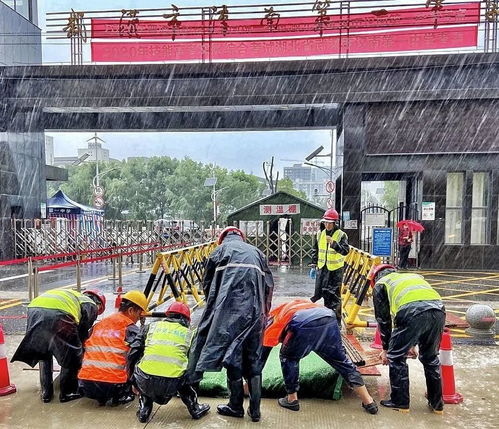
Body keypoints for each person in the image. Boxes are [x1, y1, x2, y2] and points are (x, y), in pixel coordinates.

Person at [187, 226, 274, 422]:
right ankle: (255, 410)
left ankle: (236, 406)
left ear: (222, 239)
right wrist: (263, 313)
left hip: (228, 314)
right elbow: (269, 287)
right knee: (253, 360)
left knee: (232, 358)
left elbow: (208, 287)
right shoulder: (258, 253)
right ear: (241, 238)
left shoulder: (218, 252)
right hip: (255, 313)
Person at [261, 299, 378, 414]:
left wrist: (253, 377)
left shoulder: (268, 324)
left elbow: (262, 355)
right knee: (342, 362)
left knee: (289, 358)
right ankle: (369, 401)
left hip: (302, 323)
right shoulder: (286, 307)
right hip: (327, 317)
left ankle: (292, 399)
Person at [371, 264, 445, 414]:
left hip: (412, 312)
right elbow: (423, 307)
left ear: (375, 277)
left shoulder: (381, 284)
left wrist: (386, 349)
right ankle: (437, 403)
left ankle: (400, 402)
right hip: (438, 310)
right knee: (430, 358)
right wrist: (411, 342)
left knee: (396, 358)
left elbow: (384, 320)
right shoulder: (411, 277)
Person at [11, 288, 106, 403]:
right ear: (99, 304)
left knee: (44, 350)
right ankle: (68, 392)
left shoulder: (72, 296)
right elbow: (82, 333)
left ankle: (46, 392)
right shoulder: (91, 304)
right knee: (71, 354)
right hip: (60, 313)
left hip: (35, 309)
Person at [128, 301, 210, 423]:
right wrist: (191, 380)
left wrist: (132, 379)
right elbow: (195, 363)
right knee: (183, 371)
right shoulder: (189, 334)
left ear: (168, 316)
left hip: (145, 380)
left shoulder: (150, 327)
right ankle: (194, 407)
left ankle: (144, 409)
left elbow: (133, 353)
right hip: (173, 383)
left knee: (142, 366)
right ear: (187, 320)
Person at [78, 290, 147, 406]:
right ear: (131, 310)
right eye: (139, 315)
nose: (138, 320)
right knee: (139, 354)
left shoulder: (98, 325)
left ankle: (101, 397)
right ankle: (121, 395)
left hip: (86, 384)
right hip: (113, 386)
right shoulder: (129, 328)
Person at [310, 209, 349, 322]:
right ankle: (327, 319)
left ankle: (336, 322)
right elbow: (315, 249)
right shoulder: (320, 234)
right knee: (325, 293)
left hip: (335, 270)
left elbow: (346, 251)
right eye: (325, 222)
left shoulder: (341, 235)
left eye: (329, 222)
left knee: (335, 296)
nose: (327, 225)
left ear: (334, 223)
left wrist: (334, 244)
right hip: (323, 268)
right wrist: (314, 263)